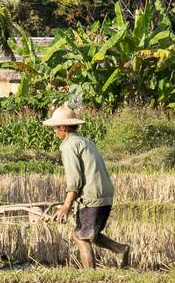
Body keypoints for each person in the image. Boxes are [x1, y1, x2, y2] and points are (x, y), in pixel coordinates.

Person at [43, 104, 130, 269]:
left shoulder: (69, 146)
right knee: (92, 235)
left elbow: (75, 181)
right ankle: (120, 249)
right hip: (104, 194)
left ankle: (89, 276)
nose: (55, 131)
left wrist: (66, 206)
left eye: (56, 127)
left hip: (91, 196)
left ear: (63, 126)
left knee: (81, 237)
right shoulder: (84, 141)